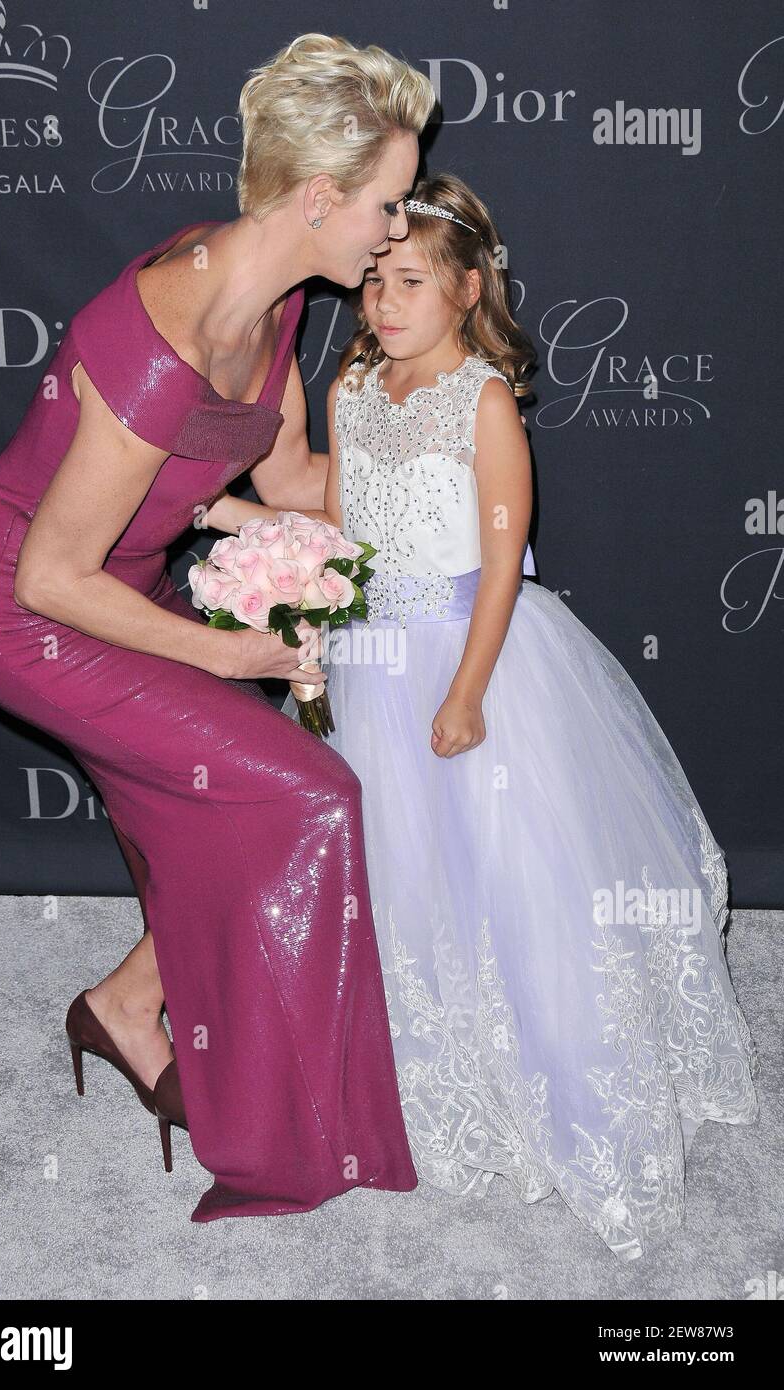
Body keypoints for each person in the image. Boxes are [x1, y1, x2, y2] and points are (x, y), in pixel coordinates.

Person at [0, 33, 434, 1223]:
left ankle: (122, 1002)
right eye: (384, 202)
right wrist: (228, 652)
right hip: (31, 612)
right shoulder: (157, 348)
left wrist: (443, 442)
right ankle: (276, 1119)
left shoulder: (266, 303)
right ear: (319, 200)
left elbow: (289, 485)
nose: (394, 227)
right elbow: (51, 578)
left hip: (119, 591)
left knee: (230, 793)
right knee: (306, 795)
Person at [275, 172, 760, 1260]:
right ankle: (431, 1086)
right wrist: (313, 642)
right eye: (371, 284)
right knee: (403, 879)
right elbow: (347, 531)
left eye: (408, 283)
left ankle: (574, 1092)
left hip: (475, 659)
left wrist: (463, 691)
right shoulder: (351, 388)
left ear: (465, 289)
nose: (382, 305)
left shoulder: (483, 398)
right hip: (372, 656)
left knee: (514, 875)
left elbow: (500, 566)